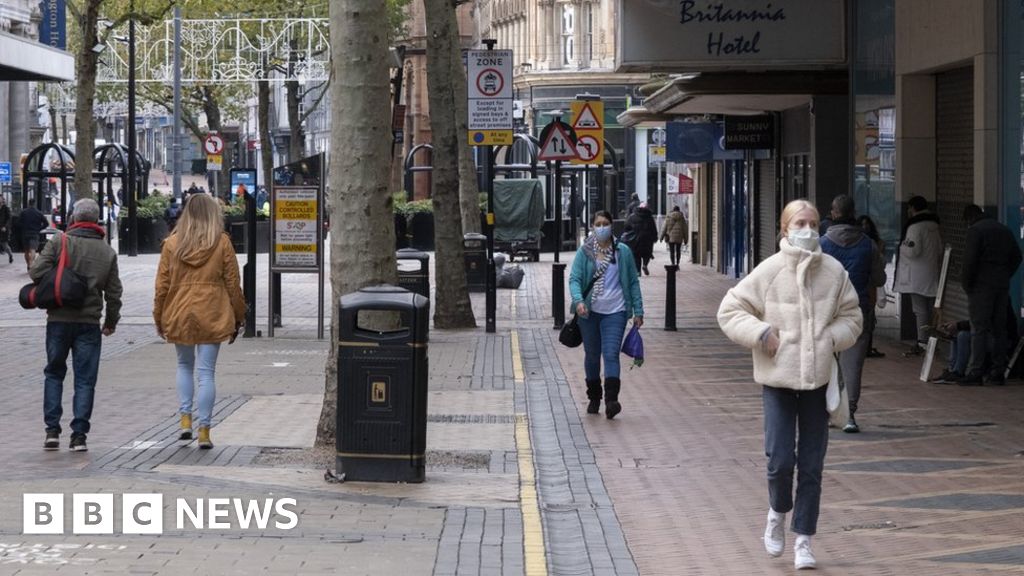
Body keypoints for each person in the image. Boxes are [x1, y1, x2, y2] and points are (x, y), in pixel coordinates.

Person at [717, 199, 862, 570]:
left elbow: (853, 317)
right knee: (780, 460)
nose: (808, 230)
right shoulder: (769, 271)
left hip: (818, 382)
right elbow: (730, 310)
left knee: (812, 465)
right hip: (778, 381)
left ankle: (804, 540)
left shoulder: (834, 272)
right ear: (784, 228)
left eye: (813, 223)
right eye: (800, 223)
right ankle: (777, 511)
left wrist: (831, 338)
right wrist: (761, 333)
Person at [153, 193, 246, 449]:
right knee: (206, 373)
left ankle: (185, 419)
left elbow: (161, 287)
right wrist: (239, 315)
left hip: (180, 311)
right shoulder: (222, 243)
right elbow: (233, 284)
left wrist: (159, 317)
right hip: (212, 311)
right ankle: (204, 431)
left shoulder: (172, 244)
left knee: (184, 366)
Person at [32, 199, 122, 452]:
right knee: (85, 379)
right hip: (89, 322)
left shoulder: (59, 241)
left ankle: (52, 431)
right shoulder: (107, 252)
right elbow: (114, 293)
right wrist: (110, 322)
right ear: (96, 220)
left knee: (54, 373)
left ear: (74, 217)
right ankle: (79, 436)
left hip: (59, 319)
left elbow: (36, 272)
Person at [568, 210, 644, 420]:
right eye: (598, 224)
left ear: (611, 226)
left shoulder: (623, 252)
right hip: (589, 313)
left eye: (605, 223)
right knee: (592, 355)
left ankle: (612, 401)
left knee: (611, 354)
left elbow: (632, 282)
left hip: (616, 311)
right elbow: (574, 279)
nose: (602, 227)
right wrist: (579, 301)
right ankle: (594, 397)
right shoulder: (584, 252)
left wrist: (638, 310)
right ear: (593, 227)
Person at [820, 195, 885, 433]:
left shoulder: (821, 245)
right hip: (858, 309)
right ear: (853, 213)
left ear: (834, 213)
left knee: (826, 361)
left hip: (827, 311)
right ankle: (849, 415)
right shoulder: (869, 245)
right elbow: (880, 278)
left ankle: (829, 411)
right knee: (853, 364)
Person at [957, 204, 1023, 386]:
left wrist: (967, 285)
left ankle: (976, 372)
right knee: (999, 329)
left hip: (981, 287)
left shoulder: (975, 231)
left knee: (979, 329)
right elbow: (1017, 256)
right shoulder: (1004, 229)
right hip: (1001, 286)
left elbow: (969, 262)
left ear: (969, 218)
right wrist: (1004, 275)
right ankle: (997, 371)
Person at [893, 196, 942, 356]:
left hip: (916, 275)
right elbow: (939, 249)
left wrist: (901, 246)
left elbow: (913, 250)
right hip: (931, 272)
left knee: (920, 310)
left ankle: (922, 342)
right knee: (928, 309)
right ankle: (930, 340)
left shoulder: (915, 227)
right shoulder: (934, 225)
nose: (907, 211)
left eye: (909, 208)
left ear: (913, 208)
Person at [858, 215, 886, 358]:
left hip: (869, 286)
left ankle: (866, 348)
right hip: (863, 285)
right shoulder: (860, 243)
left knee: (869, 320)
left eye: (867, 224)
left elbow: (880, 267)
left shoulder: (875, 244)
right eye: (862, 224)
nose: (865, 227)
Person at [623, 202, 658, 275]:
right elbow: (653, 228)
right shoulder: (649, 217)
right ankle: (645, 265)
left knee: (636, 255)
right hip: (647, 240)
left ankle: (638, 271)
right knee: (647, 254)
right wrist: (655, 237)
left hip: (636, 239)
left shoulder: (632, 216)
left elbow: (626, 226)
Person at [19, 204, 49, 271]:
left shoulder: (23, 212)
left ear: (28, 203)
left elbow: (18, 222)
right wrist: (39, 228)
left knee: (26, 250)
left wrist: (23, 228)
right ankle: (31, 263)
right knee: (33, 249)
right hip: (34, 233)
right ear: (34, 204)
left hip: (25, 233)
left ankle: (28, 264)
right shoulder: (39, 213)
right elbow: (46, 223)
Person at [0, 195, 13, 264]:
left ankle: (10, 255)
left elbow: (9, 218)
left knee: (4, 244)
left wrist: (5, 226)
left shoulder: (6, 208)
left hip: (4, 229)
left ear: (2, 200)